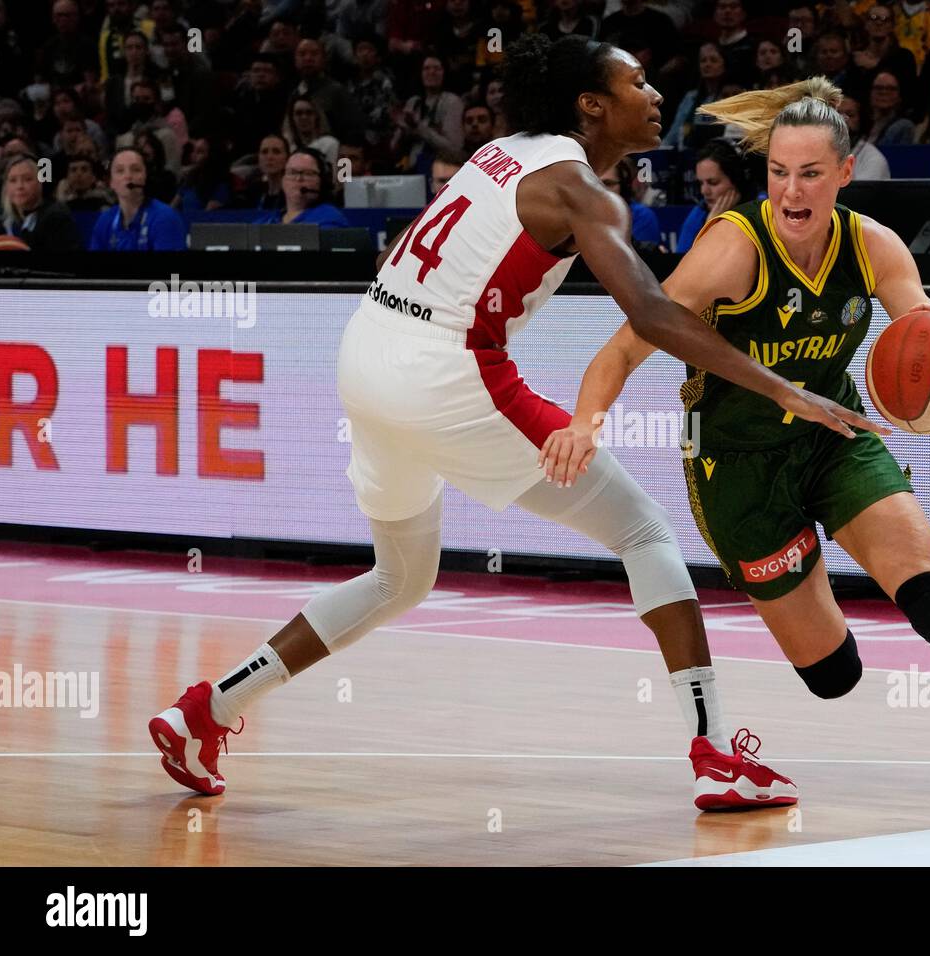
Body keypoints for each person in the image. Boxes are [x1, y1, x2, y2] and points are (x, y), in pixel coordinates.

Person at [148, 34, 870, 811]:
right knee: (644, 532)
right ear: (591, 103)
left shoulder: (506, 150)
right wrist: (780, 389)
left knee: (398, 576)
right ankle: (714, 753)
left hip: (367, 352)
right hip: (446, 369)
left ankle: (206, 710)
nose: (655, 93)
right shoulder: (581, 192)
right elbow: (654, 314)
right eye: (636, 81)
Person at [550, 77, 930, 831]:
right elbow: (623, 346)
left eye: (810, 173)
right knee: (833, 675)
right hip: (738, 469)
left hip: (832, 435)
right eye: (779, 172)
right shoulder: (731, 252)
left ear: (845, 175)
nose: (791, 190)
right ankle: (804, 581)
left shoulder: (872, 244)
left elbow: (921, 337)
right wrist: (587, 421)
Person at [88, 146, 186, 250]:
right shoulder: (105, 220)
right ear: (111, 182)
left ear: (146, 177)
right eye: (120, 171)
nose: (128, 176)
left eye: (136, 170)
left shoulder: (165, 217)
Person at [675, 139, 755, 254]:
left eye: (713, 182)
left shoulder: (760, 213)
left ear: (737, 181)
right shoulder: (698, 214)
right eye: (701, 183)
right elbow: (681, 266)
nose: (704, 191)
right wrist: (710, 228)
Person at [0, 153, 80, 251]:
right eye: (13, 180)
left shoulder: (56, 218)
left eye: (28, 179)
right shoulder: (5, 223)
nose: (19, 186)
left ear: (40, 183)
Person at [256, 147, 349, 227]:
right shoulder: (266, 223)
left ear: (322, 181)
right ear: (283, 180)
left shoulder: (330, 218)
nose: (298, 178)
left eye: (308, 173)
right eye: (292, 172)